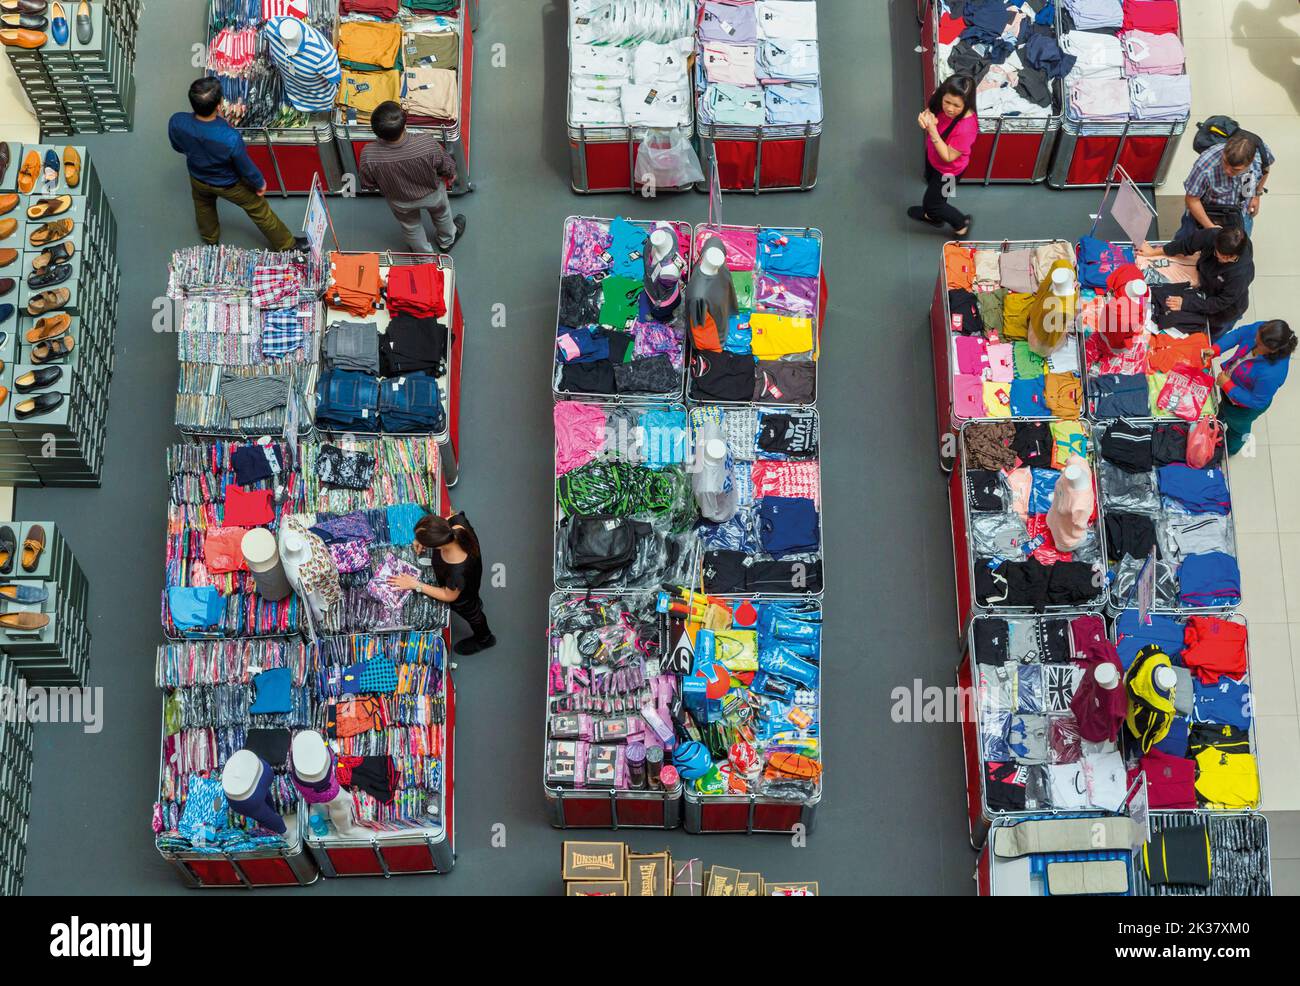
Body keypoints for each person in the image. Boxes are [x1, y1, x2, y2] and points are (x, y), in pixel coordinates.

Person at [168, 77, 302, 252]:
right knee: (259, 210)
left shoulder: (177, 121)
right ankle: (287, 244)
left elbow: (177, 146)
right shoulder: (229, 137)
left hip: (197, 177)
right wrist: (260, 183)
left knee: (203, 206)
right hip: (228, 184)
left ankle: (210, 239)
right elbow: (245, 167)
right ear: (219, 105)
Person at [360, 100, 466, 254]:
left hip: (399, 200)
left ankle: (424, 255)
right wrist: (451, 174)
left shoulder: (368, 155)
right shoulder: (426, 143)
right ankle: (447, 240)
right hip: (432, 194)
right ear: (404, 125)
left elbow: (368, 182)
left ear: (375, 130)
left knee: (411, 227)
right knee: (442, 214)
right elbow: (446, 165)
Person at [389, 512, 495, 656]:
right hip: (470, 576)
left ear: (437, 545)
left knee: (472, 612)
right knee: (473, 599)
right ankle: (476, 603)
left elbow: (448, 595)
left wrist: (415, 584)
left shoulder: (457, 571)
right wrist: (420, 539)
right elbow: (444, 521)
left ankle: (485, 639)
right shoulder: (455, 525)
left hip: (462, 594)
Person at [1137, 226, 1253, 339]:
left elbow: (1219, 303)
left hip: (1225, 309)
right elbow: (1185, 245)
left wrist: (1186, 303)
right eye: (1216, 253)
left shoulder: (1241, 275)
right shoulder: (1213, 235)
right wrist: (1154, 252)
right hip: (1205, 286)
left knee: (1209, 332)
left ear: (1233, 257)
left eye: (1223, 257)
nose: (1218, 258)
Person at [907, 75, 978, 237]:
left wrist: (931, 130)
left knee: (934, 204)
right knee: (937, 194)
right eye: (947, 102)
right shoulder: (939, 101)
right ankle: (934, 218)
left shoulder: (967, 127)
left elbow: (948, 156)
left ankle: (961, 224)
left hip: (949, 172)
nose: (950, 109)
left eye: (957, 105)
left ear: (967, 104)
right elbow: (930, 112)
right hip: (933, 159)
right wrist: (925, 119)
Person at [1213, 319, 1296, 455]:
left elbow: (1257, 401)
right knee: (1223, 409)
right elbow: (1238, 335)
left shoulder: (1273, 373)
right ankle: (1219, 419)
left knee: (1237, 429)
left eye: (1259, 344)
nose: (1254, 342)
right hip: (1230, 389)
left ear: (1272, 350)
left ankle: (1228, 450)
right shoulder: (1263, 330)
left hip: (1243, 408)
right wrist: (1216, 349)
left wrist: (1227, 385)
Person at [1178, 131, 1274, 241]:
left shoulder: (1261, 154)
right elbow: (1192, 200)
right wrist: (1211, 228)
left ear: (1251, 161)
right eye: (1225, 162)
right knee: (1185, 245)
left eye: (1235, 169)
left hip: (1242, 213)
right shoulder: (1205, 165)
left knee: (1237, 248)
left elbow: (1265, 169)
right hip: (1208, 213)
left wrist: (1257, 194)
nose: (1227, 170)